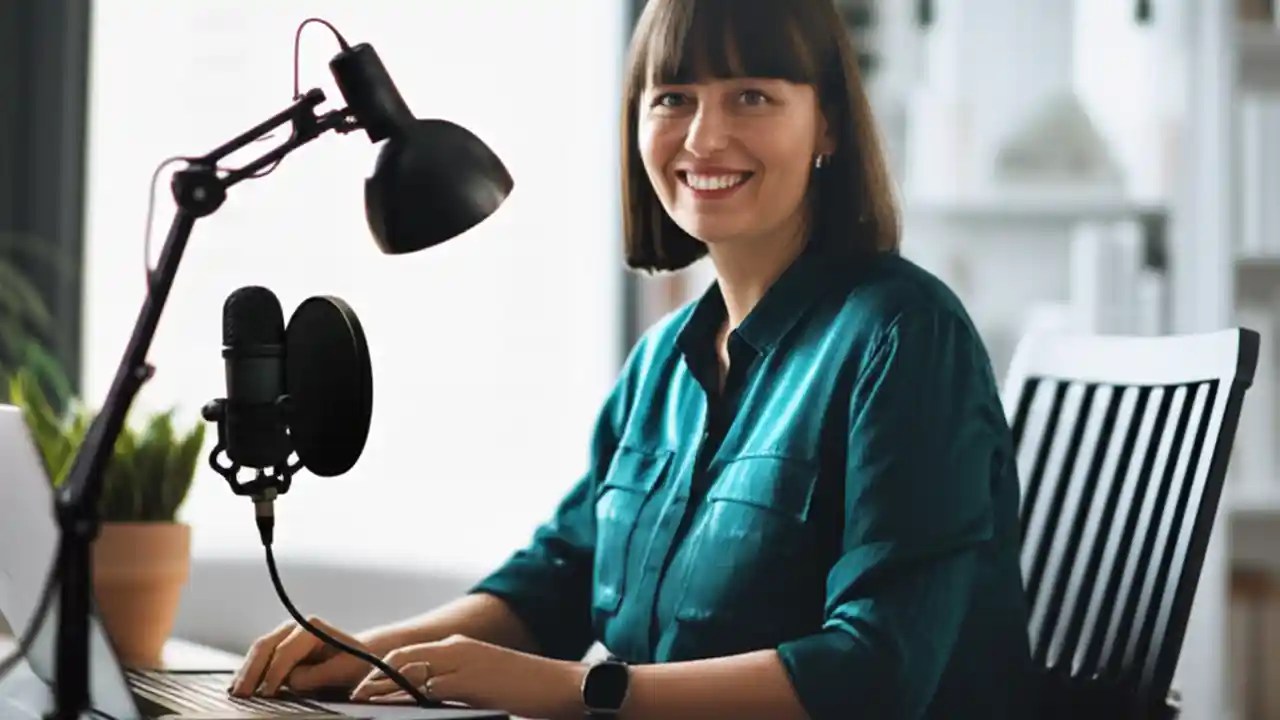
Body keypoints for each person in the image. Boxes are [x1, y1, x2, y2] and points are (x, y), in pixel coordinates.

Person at [230, 0, 1036, 717]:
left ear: (828, 124)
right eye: (673, 98)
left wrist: (571, 691)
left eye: (751, 95)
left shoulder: (903, 336)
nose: (703, 136)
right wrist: (366, 654)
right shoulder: (661, 363)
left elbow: (879, 671)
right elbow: (558, 578)